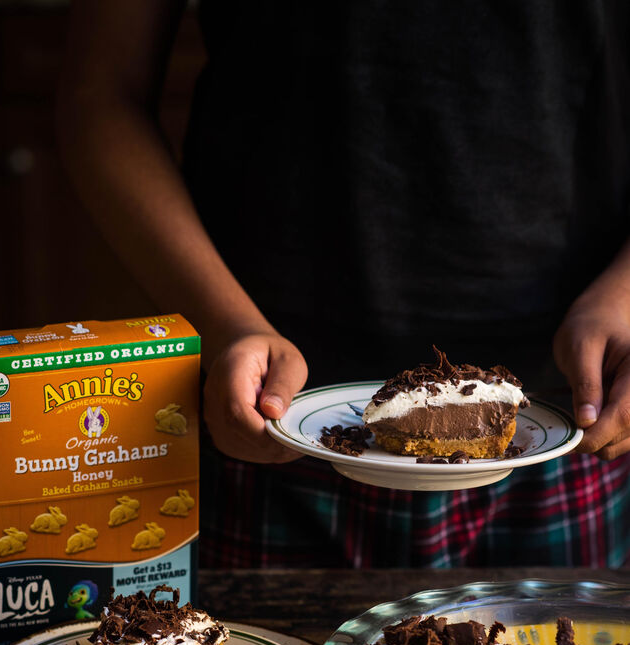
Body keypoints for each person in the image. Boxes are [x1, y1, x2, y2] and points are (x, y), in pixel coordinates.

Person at [57, 0, 630, 569]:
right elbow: (102, 93)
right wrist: (228, 324)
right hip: (267, 418)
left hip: (561, 428)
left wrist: (624, 294)